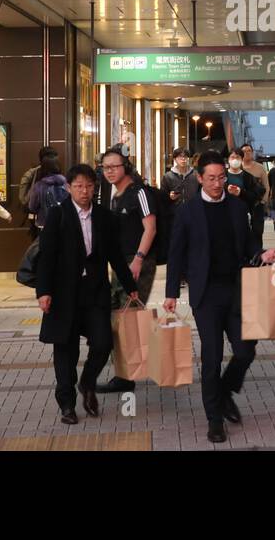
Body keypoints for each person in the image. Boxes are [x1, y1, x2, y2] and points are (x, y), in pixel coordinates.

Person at [163, 152, 275, 443]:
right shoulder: (188, 211)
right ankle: (214, 419)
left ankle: (225, 391)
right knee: (211, 356)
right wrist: (170, 294)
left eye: (221, 177)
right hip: (206, 295)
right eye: (211, 178)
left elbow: (249, 240)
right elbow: (175, 253)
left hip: (238, 290)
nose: (218, 183)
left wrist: (260, 253)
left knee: (245, 350)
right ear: (200, 178)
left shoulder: (237, 207)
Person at [36, 163, 138, 424]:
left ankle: (88, 382)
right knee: (66, 352)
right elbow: (46, 257)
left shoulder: (104, 217)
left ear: (95, 188)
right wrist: (44, 291)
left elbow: (115, 255)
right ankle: (67, 405)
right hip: (63, 294)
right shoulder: (58, 216)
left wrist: (130, 287)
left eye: (89, 186)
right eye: (79, 186)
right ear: (68, 188)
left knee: (103, 343)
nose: (84, 191)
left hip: (95, 292)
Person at [95, 148, 157, 395]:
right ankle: (125, 371)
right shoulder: (114, 195)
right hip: (121, 263)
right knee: (118, 318)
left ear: (126, 166)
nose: (109, 171)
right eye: (105, 167)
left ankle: (127, 376)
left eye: (114, 166)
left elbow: (150, 228)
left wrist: (139, 260)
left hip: (136, 262)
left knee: (127, 317)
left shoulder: (139, 192)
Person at [225, 148, 265, 243]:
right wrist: (226, 189)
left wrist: (241, 192)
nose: (235, 159)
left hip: (243, 213)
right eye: (232, 157)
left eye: (237, 157)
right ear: (228, 159)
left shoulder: (248, 177)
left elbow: (254, 196)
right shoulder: (222, 175)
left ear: (242, 159)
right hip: (224, 212)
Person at [20, 146, 59, 240]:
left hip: (36, 218)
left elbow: (24, 198)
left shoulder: (34, 173)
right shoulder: (58, 175)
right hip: (52, 219)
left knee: (38, 243)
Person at [239, 143, 269, 237]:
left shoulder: (260, 168)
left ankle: (257, 250)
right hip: (242, 204)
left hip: (257, 204)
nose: (247, 153)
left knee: (258, 231)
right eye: (244, 151)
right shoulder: (237, 168)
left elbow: (266, 186)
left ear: (252, 152)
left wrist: (263, 201)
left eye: (249, 151)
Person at [161, 147, 200, 211]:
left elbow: (201, 192)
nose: (183, 159)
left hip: (193, 211)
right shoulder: (167, 176)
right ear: (175, 159)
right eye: (180, 157)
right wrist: (169, 196)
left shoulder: (196, 174)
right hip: (175, 212)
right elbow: (162, 196)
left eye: (185, 156)